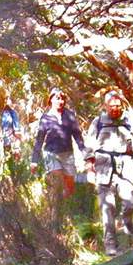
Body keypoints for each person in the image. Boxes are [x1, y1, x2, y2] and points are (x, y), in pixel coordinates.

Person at [85, 90, 133, 256]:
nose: (115, 109)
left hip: (125, 166)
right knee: (107, 208)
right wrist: (89, 168)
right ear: (105, 106)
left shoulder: (129, 121)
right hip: (103, 167)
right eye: (111, 106)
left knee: (130, 202)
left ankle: (127, 232)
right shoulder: (98, 122)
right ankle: (110, 244)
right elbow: (89, 146)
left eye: (118, 106)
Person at [31, 87, 86, 229]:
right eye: (57, 98)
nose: (60, 101)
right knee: (57, 182)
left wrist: (85, 153)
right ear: (50, 100)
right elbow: (39, 140)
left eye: (62, 99)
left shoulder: (69, 115)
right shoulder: (46, 118)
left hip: (68, 154)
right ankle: (53, 221)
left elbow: (77, 135)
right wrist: (34, 160)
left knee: (69, 188)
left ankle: (65, 215)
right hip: (51, 154)